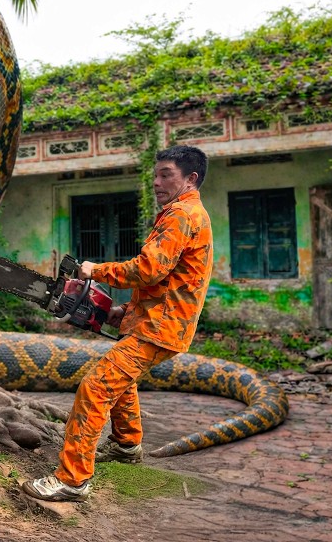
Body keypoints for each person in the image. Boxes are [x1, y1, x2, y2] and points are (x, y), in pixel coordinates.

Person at [22, 145, 213, 502]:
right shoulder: (186, 213)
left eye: (165, 175)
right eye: (155, 175)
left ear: (191, 179)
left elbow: (148, 269)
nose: (156, 182)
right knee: (120, 383)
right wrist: (124, 312)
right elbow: (169, 280)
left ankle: (72, 480)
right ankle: (127, 446)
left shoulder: (181, 215)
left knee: (95, 388)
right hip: (156, 322)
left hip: (160, 329)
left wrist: (95, 270)